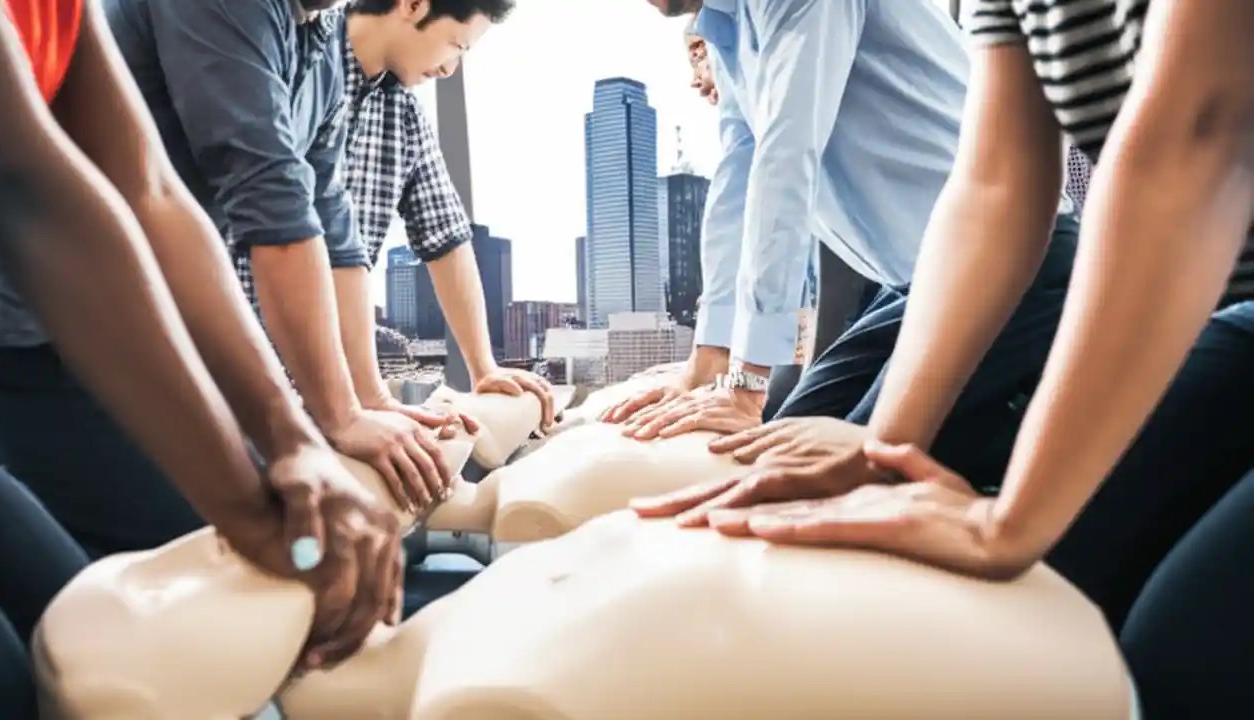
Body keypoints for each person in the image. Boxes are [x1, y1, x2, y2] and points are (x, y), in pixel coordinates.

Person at [635, 0, 1254, 715]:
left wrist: (1008, 522)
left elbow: (1199, 127)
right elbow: (996, 182)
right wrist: (884, 453)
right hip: (1214, 315)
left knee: (1176, 658)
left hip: (1110, 283)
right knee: (1061, 585)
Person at [0, 0, 407, 712]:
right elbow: (28, 192)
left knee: (67, 632)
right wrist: (247, 510)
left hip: (79, 301)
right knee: (3, 689)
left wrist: (295, 444)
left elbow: (151, 191)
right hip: (24, 327)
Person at [608, 0, 1082, 493]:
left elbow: (786, 160)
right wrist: (710, 358)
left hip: (1017, 262)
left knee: (829, 480)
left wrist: (747, 383)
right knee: (773, 446)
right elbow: (738, 181)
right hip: (914, 289)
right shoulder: (728, 29)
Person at [94, 0, 455, 521]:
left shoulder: (323, 32)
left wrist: (369, 400)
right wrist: (340, 418)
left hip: (154, 313)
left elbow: (332, 223)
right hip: (58, 310)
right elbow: (272, 200)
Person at [336, 0, 554, 421]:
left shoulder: (401, 112)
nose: (450, 69)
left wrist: (483, 367)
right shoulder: (298, 59)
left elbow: (447, 237)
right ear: (414, 5)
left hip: (338, 380)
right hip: (229, 352)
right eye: (457, 45)